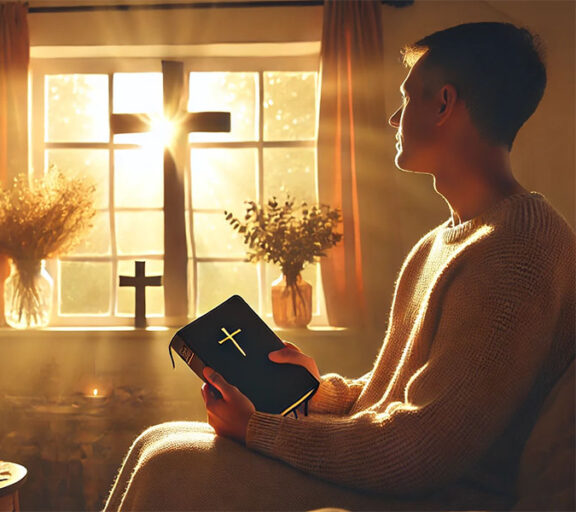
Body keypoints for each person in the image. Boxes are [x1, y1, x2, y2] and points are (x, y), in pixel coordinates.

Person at [105, 22, 574, 511]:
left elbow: (423, 449)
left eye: (407, 97)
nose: (394, 119)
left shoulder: (519, 249)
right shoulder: (441, 242)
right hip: (403, 475)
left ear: (444, 104)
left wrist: (258, 429)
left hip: (445, 497)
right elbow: (391, 397)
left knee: (172, 465)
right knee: (156, 440)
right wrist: (313, 393)